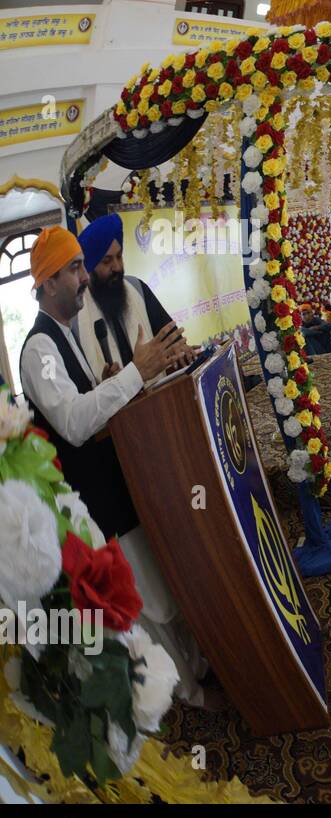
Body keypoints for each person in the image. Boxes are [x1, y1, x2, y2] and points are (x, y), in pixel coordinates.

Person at [19, 226, 206, 705]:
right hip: (99, 500)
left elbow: (89, 405)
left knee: (164, 589)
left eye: (84, 266)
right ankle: (187, 694)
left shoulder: (67, 336)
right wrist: (133, 373)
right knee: (153, 603)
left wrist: (113, 383)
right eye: (74, 269)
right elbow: (75, 423)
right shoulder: (40, 349)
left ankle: (196, 673)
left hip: (122, 487)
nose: (84, 277)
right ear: (47, 284)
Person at [74, 213, 180, 379]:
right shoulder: (78, 317)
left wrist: (179, 349)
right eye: (107, 261)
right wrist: (108, 383)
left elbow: (170, 338)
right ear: (90, 267)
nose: (116, 267)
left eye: (119, 256)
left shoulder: (137, 288)